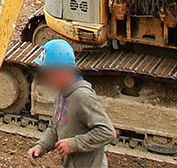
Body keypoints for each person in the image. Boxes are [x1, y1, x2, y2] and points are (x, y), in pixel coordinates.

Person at [28, 39, 116, 168]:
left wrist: (74, 144)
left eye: (48, 72)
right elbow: (55, 127)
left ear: (63, 71)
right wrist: (41, 146)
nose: (45, 77)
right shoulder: (61, 94)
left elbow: (107, 131)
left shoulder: (82, 96)